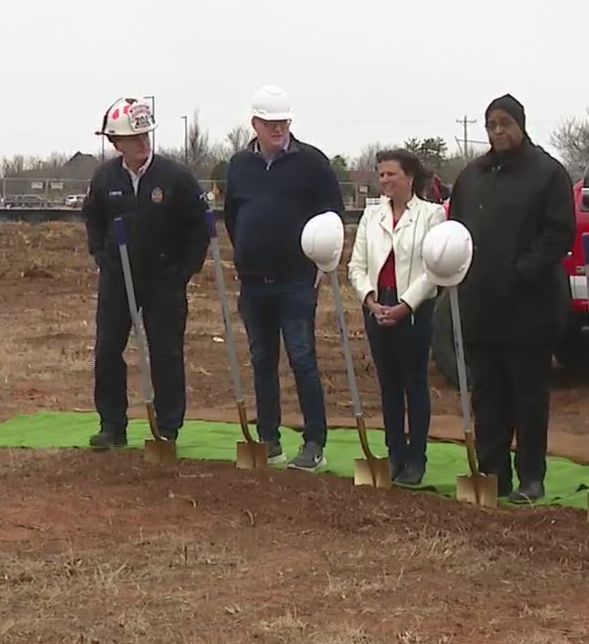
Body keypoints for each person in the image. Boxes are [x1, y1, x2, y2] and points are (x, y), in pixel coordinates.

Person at [446, 94, 576, 504]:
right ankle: (492, 474)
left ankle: (531, 477)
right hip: (481, 308)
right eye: (491, 125)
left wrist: (521, 272)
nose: (498, 131)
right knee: (488, 398)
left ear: (521, 125)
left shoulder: (547, 173)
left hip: (529, 309)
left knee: (528, 400)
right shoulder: (473, 176)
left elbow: (559, 233)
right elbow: (456, 230)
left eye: (505, 123)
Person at [81, 96, 212, 450]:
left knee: (166, 352)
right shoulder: (105, 177)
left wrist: (183, 270)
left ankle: (167, 427)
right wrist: (101, 255)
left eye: (145, 135)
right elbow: (93, 218)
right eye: (134, 138)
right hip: (117, 278)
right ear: (116, 143)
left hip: (164, 281)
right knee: (108, 350)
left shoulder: (175, 177)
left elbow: (198, 228)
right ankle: (112, 426)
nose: (142, 143)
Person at [224, 84, 343, 472]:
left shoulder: (312, 163)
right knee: (262, 360)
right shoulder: (240, 165)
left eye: (283, 122)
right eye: (269, 123)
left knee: (302, 358)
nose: (278, 129)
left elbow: (332, 216)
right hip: (253, 281)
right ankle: (269, 440)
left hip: (296, 280)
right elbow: (233, 216)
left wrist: (322, 264)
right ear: (254, 124)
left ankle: (314, 443)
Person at [348, 149, 448, 488]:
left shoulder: (432, 215)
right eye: (381, 175)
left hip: (414, 308)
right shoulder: (371, 215)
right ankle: (395, 454)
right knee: (388, 384)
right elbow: (357, 265)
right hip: (377, 305)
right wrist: (371, 300)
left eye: (391, 174)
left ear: (409, 176)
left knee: (413, 383)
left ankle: (416, 459)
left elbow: (434, 268)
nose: (385, 180)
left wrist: (406, 305)